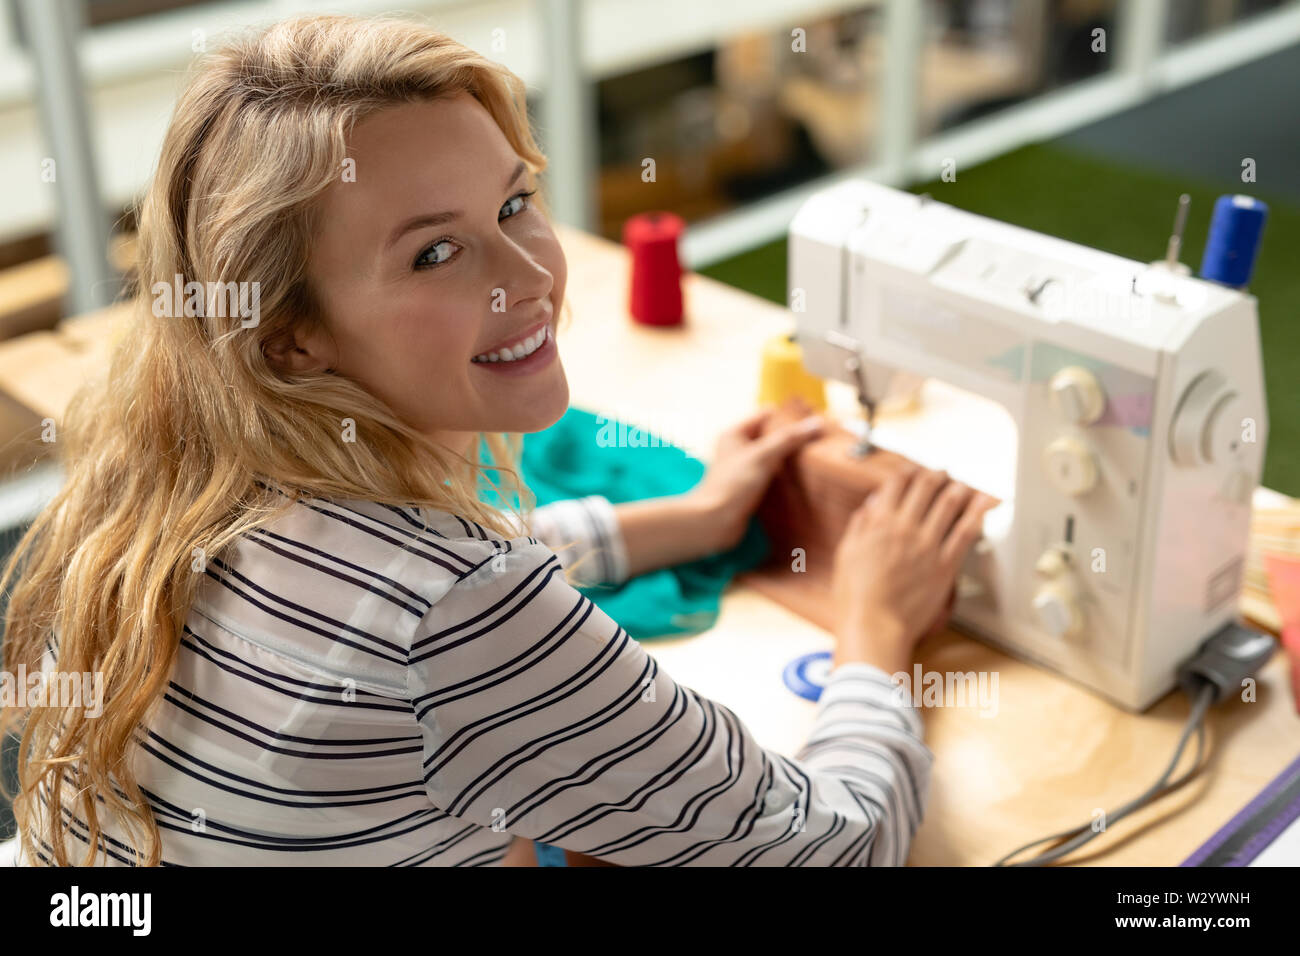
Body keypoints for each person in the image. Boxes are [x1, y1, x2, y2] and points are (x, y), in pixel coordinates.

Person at [0, 14, 995, 867]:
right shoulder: (459, 610)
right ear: (290, 334)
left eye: (516, 201)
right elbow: (832, 846)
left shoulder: (146, 488)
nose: (529, 274)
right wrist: (873, 627)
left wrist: (682, 520)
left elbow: (376, 597)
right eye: (435, 250)